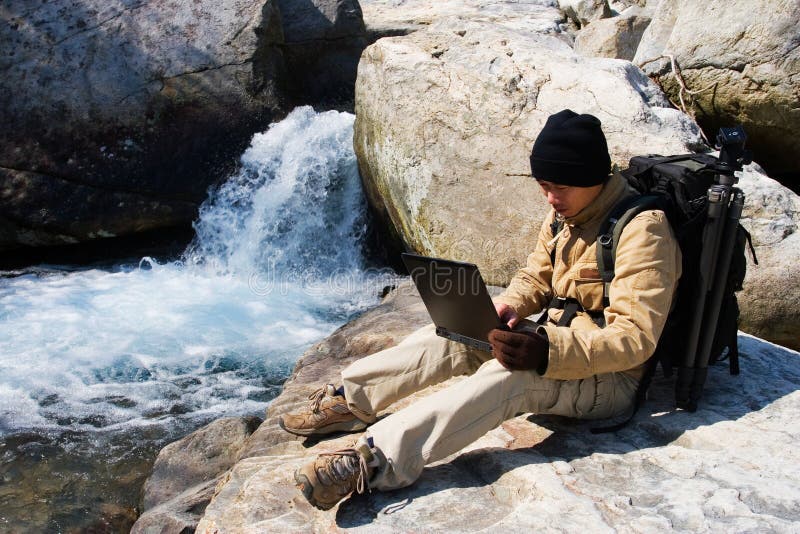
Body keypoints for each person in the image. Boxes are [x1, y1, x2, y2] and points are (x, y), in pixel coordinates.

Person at [280, 109, 682, 510]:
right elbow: (536, 276)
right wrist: (508, 307)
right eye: (543, 186)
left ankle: (372, 461)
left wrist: (547, 351)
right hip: (552, 342)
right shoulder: (566, 213)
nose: (550, 198)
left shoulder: (643, 230)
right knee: (453, 334)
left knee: (509, 377)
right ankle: (352, 399)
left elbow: (635, 339)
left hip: (609, 380)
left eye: (559, 187)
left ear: (592, 177)